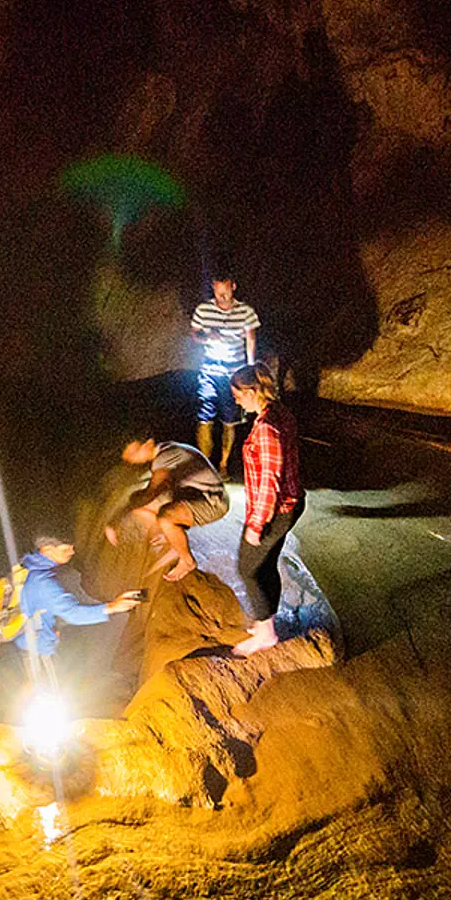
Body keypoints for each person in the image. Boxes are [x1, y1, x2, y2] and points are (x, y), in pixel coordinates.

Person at [229, 363, 304, 656]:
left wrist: (256, 526)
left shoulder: (267, 428)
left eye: (237, 395)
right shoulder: (279, 412)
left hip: (277, 510)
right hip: (289, 503)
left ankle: (266, 633)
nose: (235, 400)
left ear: (251, 392)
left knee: (247, 568)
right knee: (265, 564)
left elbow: (269, 480)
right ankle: (266, 623)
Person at [106, 438, 229, 582]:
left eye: (134, 454)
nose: (133, 460)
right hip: (201, 495)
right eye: (129, 459)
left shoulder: (164, 458)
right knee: (145, 504)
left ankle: (187, 561)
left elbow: (150, 493)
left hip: (213, 503)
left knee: (165, 518)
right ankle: (172, 539)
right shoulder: (168, 448)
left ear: (148, 443)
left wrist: (115, 520)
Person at [16, 535, 141, 664]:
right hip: (39, 654)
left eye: (72, 548)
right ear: (48, 550)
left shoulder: (27, 567)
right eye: (65, 550)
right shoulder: (43, 582)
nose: (72, 552)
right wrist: (113, 607)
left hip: (24, 644)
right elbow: (73, 614)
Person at [191, 274, 259, 478]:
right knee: (205, 415)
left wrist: (250, 370)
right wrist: (207, 336)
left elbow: (251, 341)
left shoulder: (245, 312)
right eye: (217, 291)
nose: (221, 295)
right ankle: (204, 465)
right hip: (210, 370)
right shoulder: (204, 310)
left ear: (233, 287)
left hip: (234, 372)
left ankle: (223, 464)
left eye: (225, 291)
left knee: (229, 419)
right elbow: (195, 334)